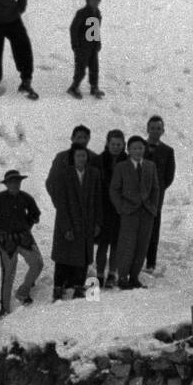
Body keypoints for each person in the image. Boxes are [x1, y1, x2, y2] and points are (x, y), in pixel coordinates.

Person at [0, 169, 44, 315]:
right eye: (12, 182)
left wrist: (27, 226)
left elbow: (35, 214)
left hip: (24, 238)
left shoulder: (26, 197)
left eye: (17, 182)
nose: (15, 184)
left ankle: (23, 292)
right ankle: (5, 308)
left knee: (38, 264)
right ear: (7, 184)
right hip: (6, 241)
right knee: (8, 274)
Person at [47, 146, 104, 300]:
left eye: (84, 156)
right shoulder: (64, 175)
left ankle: (79, 286)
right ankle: (58, 288)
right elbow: (61, 203)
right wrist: (66, 227)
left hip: (87, 222)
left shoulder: (94, 174)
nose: (81, 159)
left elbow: (98, 199)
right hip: (68, 221)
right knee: (63, 257)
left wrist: (97, 222)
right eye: (78, 156)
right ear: (73, 158)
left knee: (83, 257)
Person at [109, 135, 161, 289]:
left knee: (142, 245)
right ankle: (123, 277)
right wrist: (121, 208)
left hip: (146, 212)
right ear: (128, 150)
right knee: (127, 244)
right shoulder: (121, 167)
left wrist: (153, 207)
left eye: (140, 148)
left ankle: (134, 277)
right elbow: (114, 190)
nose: (137, 151)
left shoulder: (150, 166)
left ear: (144, 149)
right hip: (129, 212)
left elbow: (156, 188)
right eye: (134, 148)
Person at [94, 129, 127, 289]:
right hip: (103, 208)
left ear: (123, 145)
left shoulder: (127, 161)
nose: (115, 147)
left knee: (116, 243)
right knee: (102, 243)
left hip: (119, 209)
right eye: (113, 144)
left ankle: (112, 273)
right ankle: (100, 274)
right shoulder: (99, 160)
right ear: (107, 144)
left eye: (119, 144)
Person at [144, 116, 176, 273]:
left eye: (158, 128)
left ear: (163, 131)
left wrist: (159, 188)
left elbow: (169, 176)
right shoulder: (138, 146)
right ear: (147, 129)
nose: (155, 131)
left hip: (156, 197)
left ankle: (150, 262)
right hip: (137, 195)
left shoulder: (168, 151)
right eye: (152, 128)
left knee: (153, 228)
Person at [67, 0, 104, 100]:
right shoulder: (82, 13)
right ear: (87, 0)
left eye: (98, 0)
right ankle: (74, 87)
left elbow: (96, 28)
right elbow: (73, 29)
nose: (96, 2)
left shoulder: (97, 12)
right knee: (81, 68)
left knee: (94, 67)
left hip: (93, 46)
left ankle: (94, 87)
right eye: (93, 0)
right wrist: (75, 44)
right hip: (82, 46)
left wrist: (98, 42)